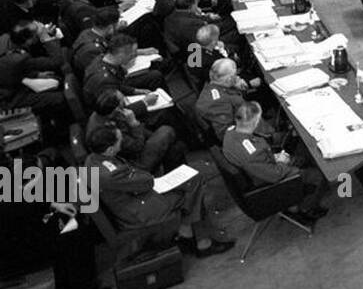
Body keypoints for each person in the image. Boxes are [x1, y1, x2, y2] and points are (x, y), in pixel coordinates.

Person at [86, 123, 234, 257]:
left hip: (136, 195)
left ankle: (188, 234)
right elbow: (146, 181)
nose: (122, 141)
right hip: (138, 210)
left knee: (194, 181)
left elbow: (136, 176)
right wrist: (141, 176)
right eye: (120, 139)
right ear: (110, 149)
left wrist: (139, 175)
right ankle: (201, 242)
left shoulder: (94, 159)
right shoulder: (108, 174)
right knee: (193, 191)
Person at [220, 100, 328, 220]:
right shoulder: (252, 153)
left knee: (302, 156)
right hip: (271, 180)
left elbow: (258, 161)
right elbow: (275, 175)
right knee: (320, 176)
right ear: (256, 121)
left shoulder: (230, 133)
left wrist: (273, 157)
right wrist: (281, 161)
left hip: (262, 167)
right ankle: (305, 208)